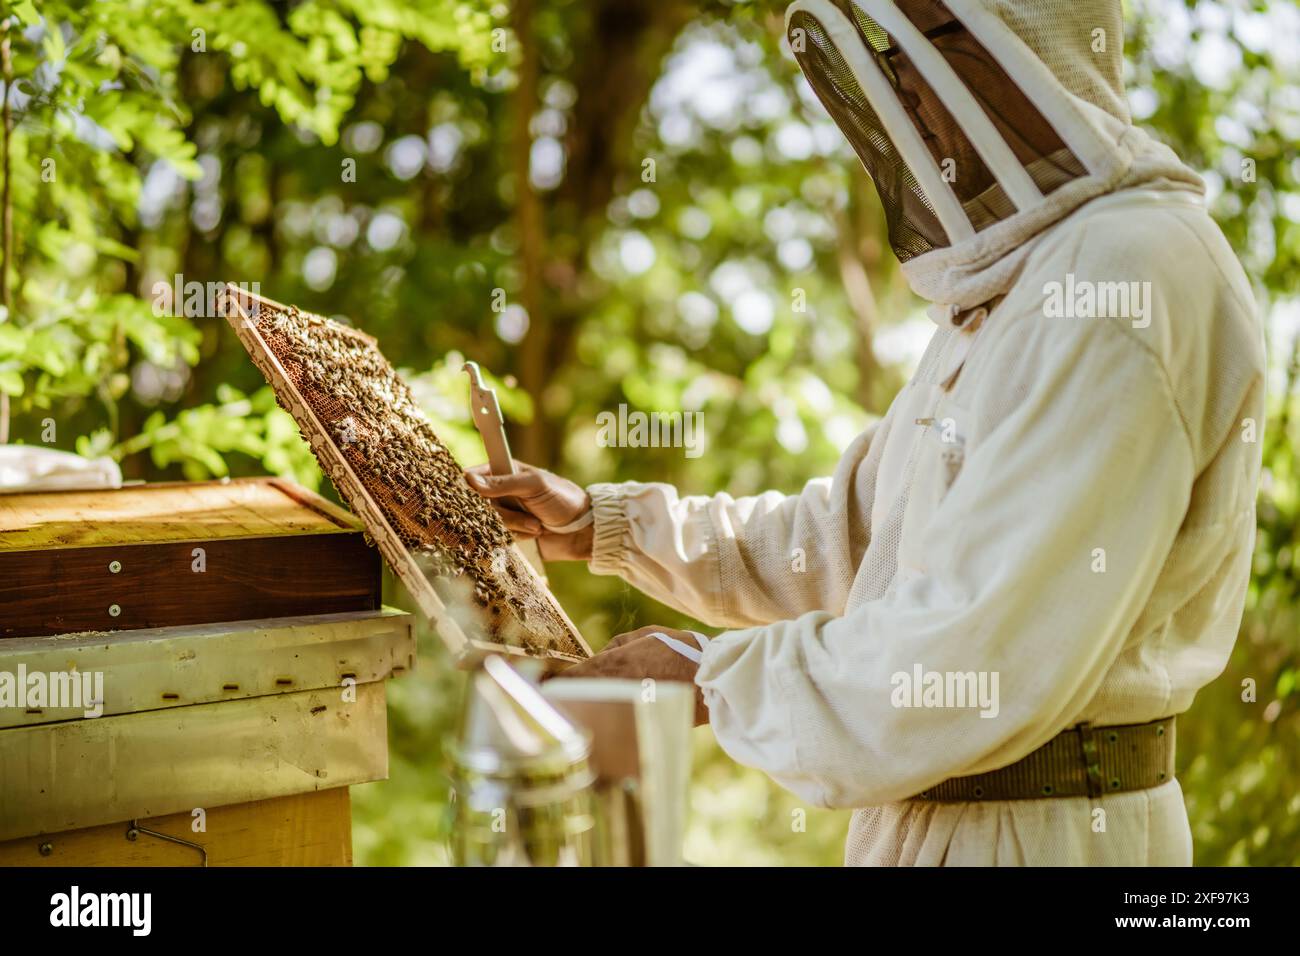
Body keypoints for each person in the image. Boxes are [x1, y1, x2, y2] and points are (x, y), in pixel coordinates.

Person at [466, 0, 1266, 866]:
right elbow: (843, 541)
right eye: (897, 47)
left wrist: (706, 675)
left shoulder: (1121, 275)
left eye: (939, 39)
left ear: (1037, 38)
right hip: (944, 829)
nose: (907, 81)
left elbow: (975, 652)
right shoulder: (1016, 289)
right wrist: (602, 523)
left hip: (1047, 837)